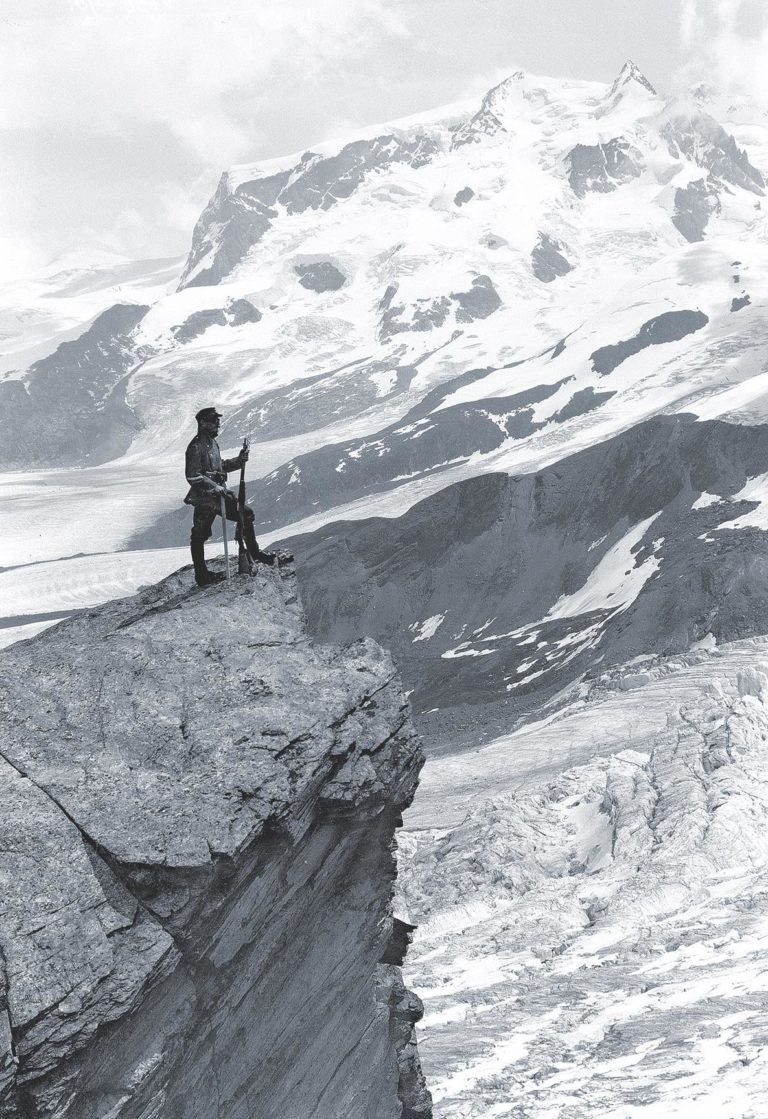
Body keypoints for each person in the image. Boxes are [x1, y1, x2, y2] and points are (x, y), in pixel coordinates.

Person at [184, 406, 290, 586]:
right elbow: (193, 476)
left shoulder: (211, 443)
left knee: (246, 514)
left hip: (219, 495)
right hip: (205, 499)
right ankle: (202, 577)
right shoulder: (195, 447)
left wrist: (239, 461)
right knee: (199, 535)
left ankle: (254, 553)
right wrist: (214, 486)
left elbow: (219, 467)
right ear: (203, 423)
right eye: (213, 421)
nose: (218, 424)